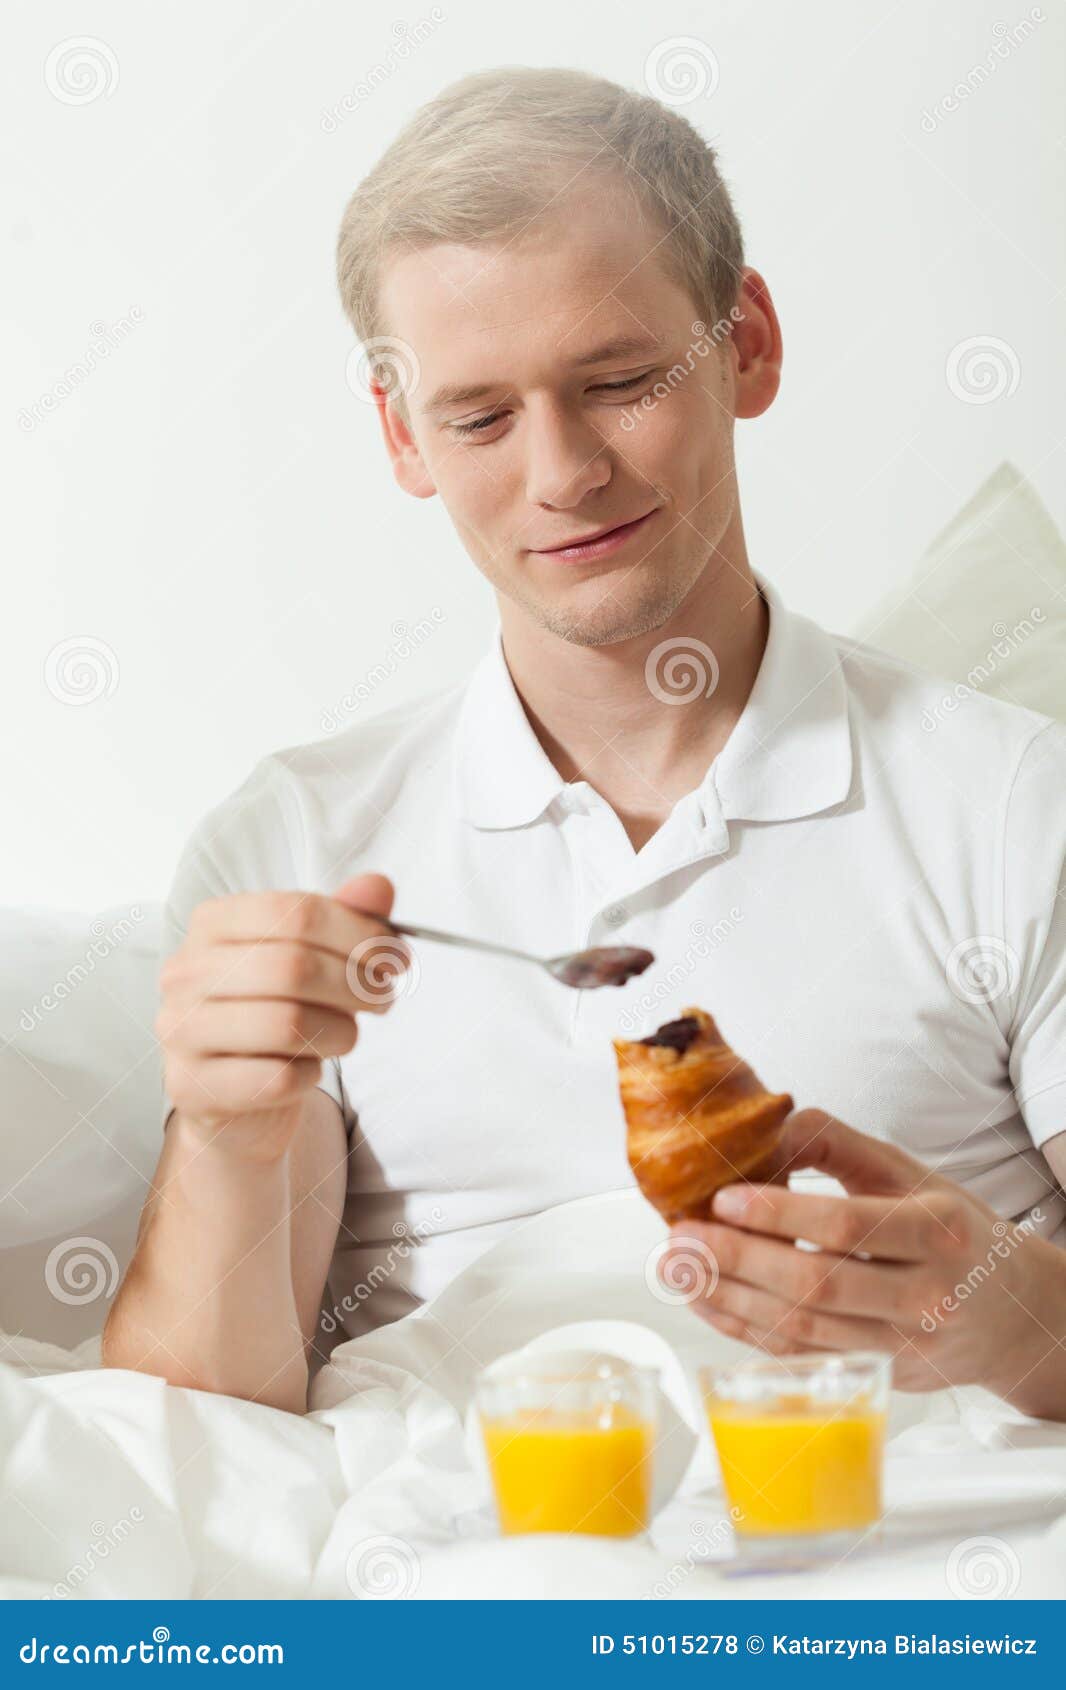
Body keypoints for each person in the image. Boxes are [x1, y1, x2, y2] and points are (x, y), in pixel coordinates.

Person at [103, 67, 1066, 1418]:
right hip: (452, 1579)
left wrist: (1008, 1313)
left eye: (616, 381)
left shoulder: (1014, 805)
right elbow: (189, 1434)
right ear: (401, 434)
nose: (559, 472)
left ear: (746, 345)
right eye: (479, 416)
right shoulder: (294, 845)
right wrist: (226, 1131)